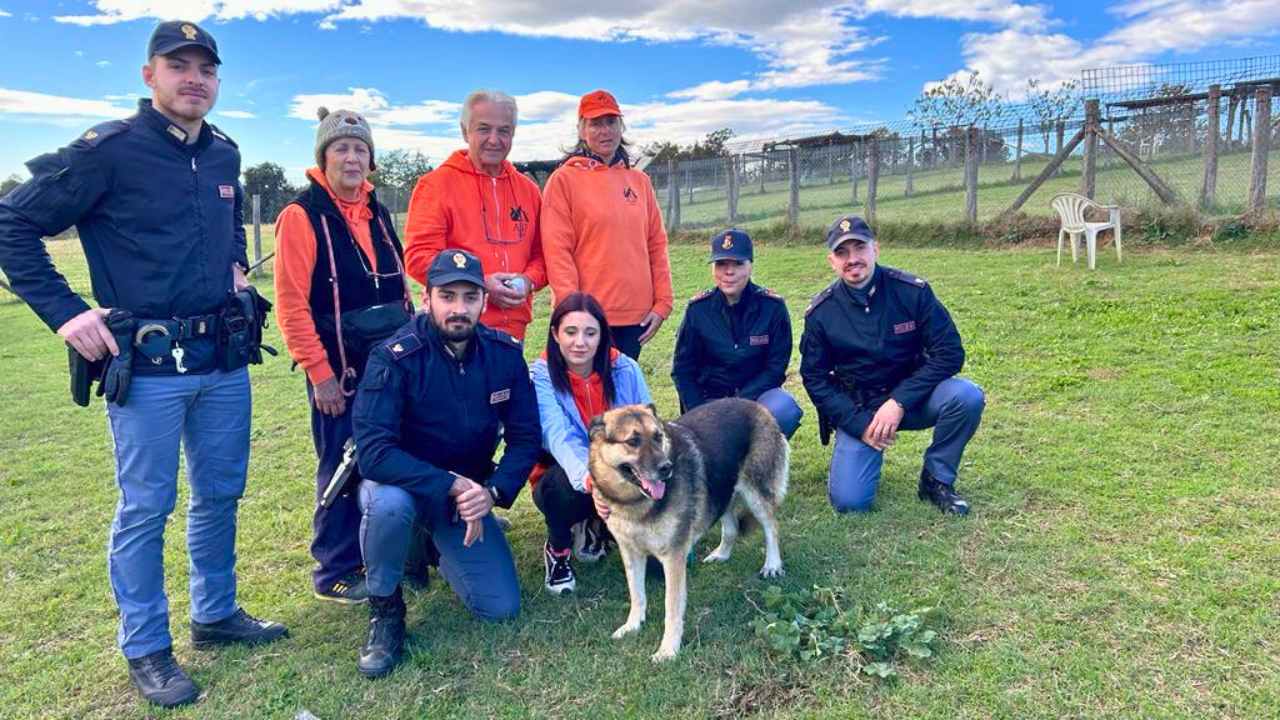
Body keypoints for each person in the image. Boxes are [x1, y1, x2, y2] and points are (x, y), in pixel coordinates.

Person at [0, 21, 286, 708]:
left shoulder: (223, 152)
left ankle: (214, 614)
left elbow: (209, 238)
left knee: (220, 494)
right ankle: (147, 648)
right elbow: (11, 224)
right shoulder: (109, 151)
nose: (194, 78)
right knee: (147, 506)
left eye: (205, 69)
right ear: (148, 75)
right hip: (148, 368)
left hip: (222, 359)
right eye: (177, 64)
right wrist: (69, 314)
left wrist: (235, 271)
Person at [350, 249, 540, 679]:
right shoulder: (393, 356)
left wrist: (491, 493)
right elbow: (374, 453)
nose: (458, 308)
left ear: (483, 302)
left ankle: (431, 543)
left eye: (469, 297)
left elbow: (526, 439)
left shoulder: (504, 355)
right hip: (401, 485)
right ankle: (386, 610)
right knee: (390, 506)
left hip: (466, 496)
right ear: (426, 297)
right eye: (447, 296)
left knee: (500, 607)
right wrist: (451, 483)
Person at [274, 108, 412, 605]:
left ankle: (406, 549)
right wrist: (319, 373)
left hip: (390, 359)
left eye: (360, 149)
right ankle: (335, 568)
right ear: (323, 157)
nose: (352, 158)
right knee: (342, 463)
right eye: (341, 148)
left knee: (395, 451)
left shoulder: (376, 210)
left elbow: (399, 287)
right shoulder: (302, 215)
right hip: (341, 369)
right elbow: (291, 303)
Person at [800, 215, 985, 515]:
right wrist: (859, 425)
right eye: (842, 252)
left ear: (876, 249)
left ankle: (937, 479)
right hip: (862, 410)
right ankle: (856, 459)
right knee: (850, 503)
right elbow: (815, 379)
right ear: (831, 261)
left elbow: (950, 352)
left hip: (914, 399)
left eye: (859, 248)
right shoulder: (821, 313)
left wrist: (899, 401)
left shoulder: (912, 292)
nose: (852, 259)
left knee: (966, 397)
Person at [529, 292, 653, 595]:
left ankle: (600, 527)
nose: (580, 342)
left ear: (602, 337)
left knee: (659, 570)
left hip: (623, 472)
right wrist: (595, 480)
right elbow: (557, 436)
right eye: (570, 332)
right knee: (560, 490)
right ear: (556, 334)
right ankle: (559, 550)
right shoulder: (540, 375)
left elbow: (647, 427)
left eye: (590, 333)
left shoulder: (626, 369)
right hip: (568, 475)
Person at [541, 89, 673, 359]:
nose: (605, 131)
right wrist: (573, 311)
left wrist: (663, 303)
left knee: (621, 398)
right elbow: (557, 251)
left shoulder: (639, 181)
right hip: (586, 320)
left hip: (633, 318)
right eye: (595, 123)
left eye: (611, 122)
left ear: (620, 126)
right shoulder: (564, 180)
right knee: (580, 397)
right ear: (581, 130)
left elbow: (656, 243)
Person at [403, 90, 544, 341]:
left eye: (504, 130)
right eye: (483, 129)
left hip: (513, 333)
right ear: (464, 130)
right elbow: (418, 257)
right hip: (457, 330)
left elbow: (542, 255)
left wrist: (528, 281)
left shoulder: (529, 190)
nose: (494, 139)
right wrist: (479, 283)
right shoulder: (436, 185)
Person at [672, 228, 802, 439]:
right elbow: (683, 370)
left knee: (784, 408)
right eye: (721, 264)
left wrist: (739, 403)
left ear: (750, 266)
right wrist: (697, 412)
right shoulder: (698, 310)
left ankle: (762, 459)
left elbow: (775, 368)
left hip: (755, 398)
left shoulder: (773, 308)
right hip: (708, 402)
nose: (728, 272)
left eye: (737, 264)